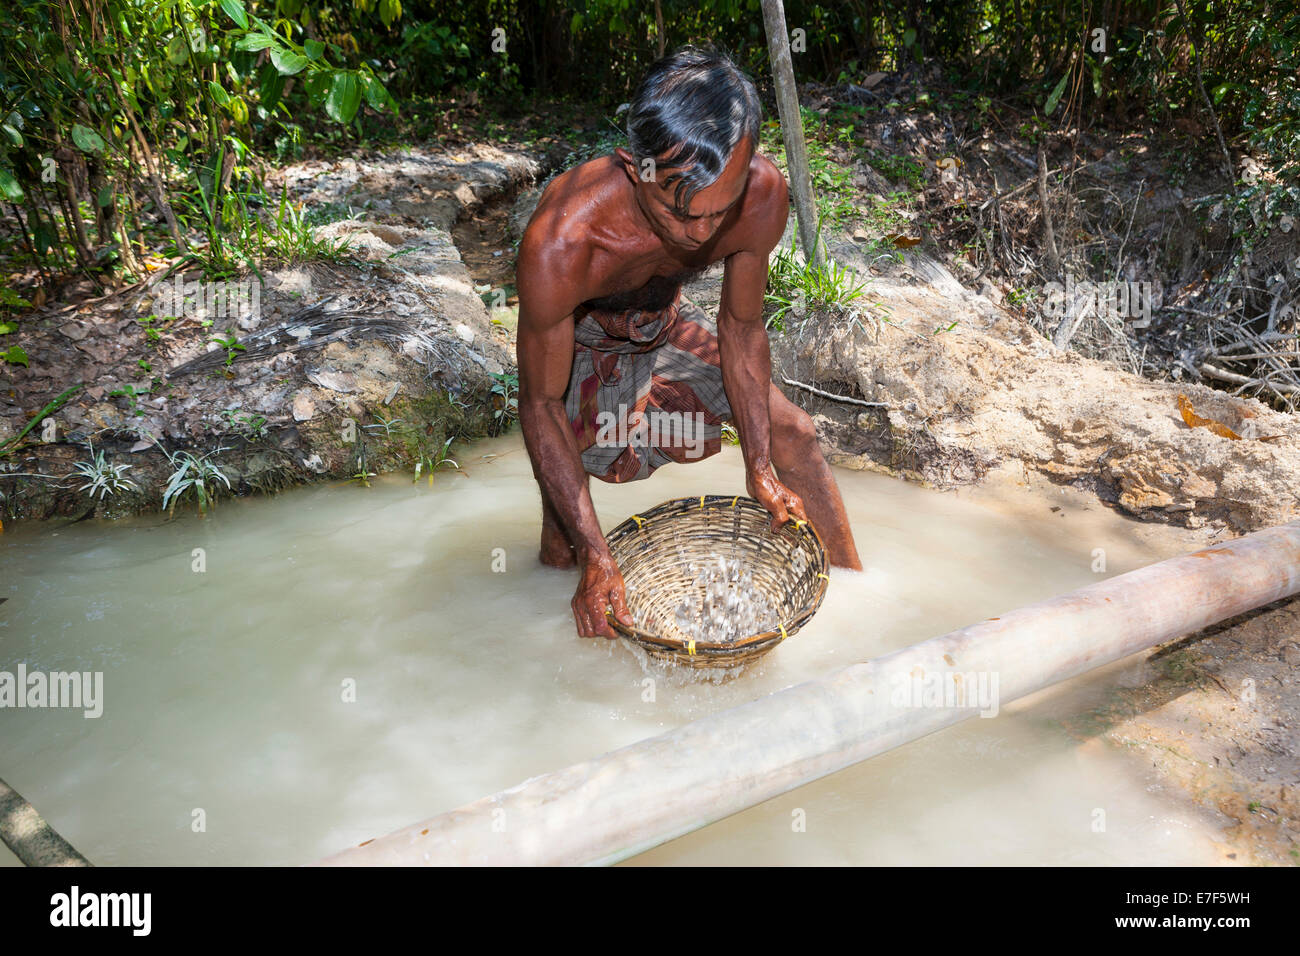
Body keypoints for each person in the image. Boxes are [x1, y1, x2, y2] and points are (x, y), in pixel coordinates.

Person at [516, 47, 862, 639]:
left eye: (716, 213)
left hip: (665, 322)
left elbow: (742, 328)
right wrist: (600, 555)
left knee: (794, 434)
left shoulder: (760, 197)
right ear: (634, 168)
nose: (699, 233)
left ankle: (859, 598)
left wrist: (758, 466)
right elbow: (539, 404)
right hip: (582, 343)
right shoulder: (563, 244)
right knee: (563, 518)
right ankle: (561, 580)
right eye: (677, 210)